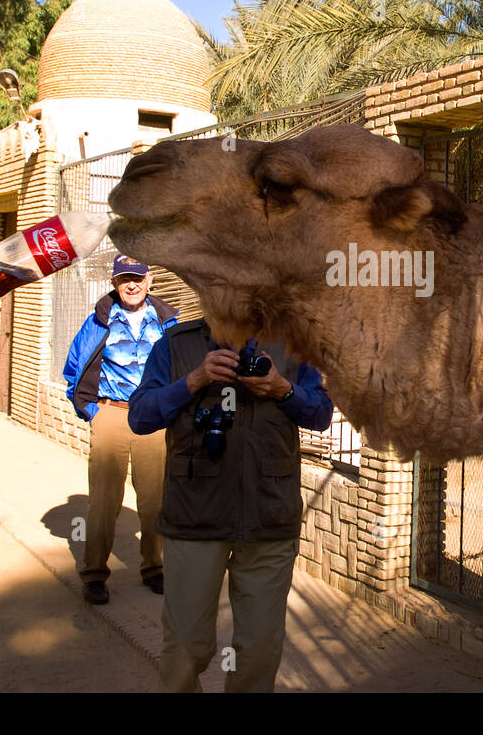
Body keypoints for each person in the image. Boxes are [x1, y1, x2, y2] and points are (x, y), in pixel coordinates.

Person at [128, 319, 333, 692]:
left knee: (259, 652)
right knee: (185, 648)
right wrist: (195, 380)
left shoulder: (294, 344)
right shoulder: (176, 345)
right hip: (194, 518)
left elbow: (321, 414)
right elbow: (140, 417)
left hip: (269, 519)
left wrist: (282, 389)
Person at [62, 255, 178, 604]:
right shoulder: (99, 320)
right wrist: (93, 412)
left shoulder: (168, 323)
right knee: (103, 502)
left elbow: (184, 368)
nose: (132, 284)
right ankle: (95, 574)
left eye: (138, 278)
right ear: (114, 282)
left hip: (153, 419)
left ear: (150, 280)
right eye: (124, 278)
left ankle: (153, 568)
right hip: (112, 415)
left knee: (155, 499)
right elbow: (74, 366)